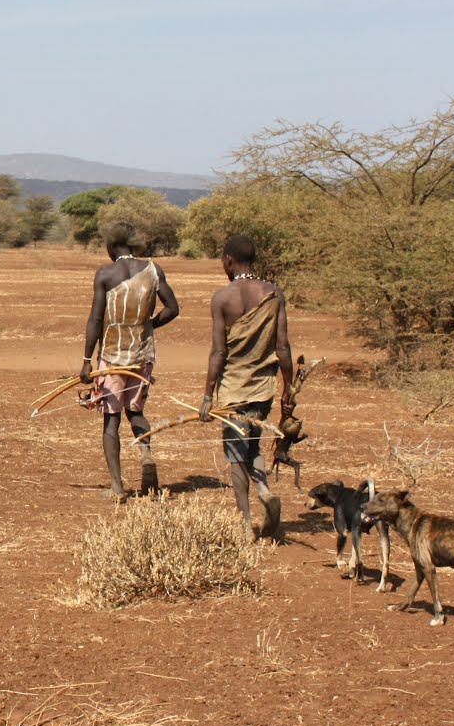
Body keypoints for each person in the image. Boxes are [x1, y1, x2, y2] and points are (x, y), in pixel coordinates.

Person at [200, 234, 294, 541]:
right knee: (253, 445)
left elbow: (218, 352)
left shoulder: (222, 298)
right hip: (263, 387)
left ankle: (244, 523)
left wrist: (207, 396)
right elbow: (282, 347)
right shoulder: (273, 293)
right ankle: (265, 492)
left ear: (228, 259)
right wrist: (288, 389)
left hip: (232, 391)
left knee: (235, 456)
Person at [79, 222, 180, 501]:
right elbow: (172, 309)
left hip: (112, 357)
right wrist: (147, 326)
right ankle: (146, 453)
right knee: (135, 412)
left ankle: (117, 488)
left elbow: (96, 320)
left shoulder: (105, 274)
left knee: (111, 421)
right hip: (142, 356)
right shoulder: (153, 270)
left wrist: (88, 361)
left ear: (111, 247)